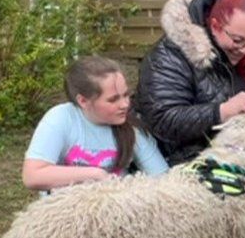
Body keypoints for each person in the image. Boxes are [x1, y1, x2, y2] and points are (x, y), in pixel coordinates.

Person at [135, 0, 245, 174]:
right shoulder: (168, 56)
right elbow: (162, 120)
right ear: (215, 25)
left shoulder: (243, 51)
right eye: (238, 40)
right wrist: (222, 111)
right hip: (172, 155)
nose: (243, 49)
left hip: (218, 147)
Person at [22, 56, 168, 192]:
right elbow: (32, 176)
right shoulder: (61, 119)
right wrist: (95, 174)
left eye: (126, 95)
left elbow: (164, 179)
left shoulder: (131, 129)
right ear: (83, 101)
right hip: (66, 210)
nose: (125, 104)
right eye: (113, 99)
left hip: (117, 207)